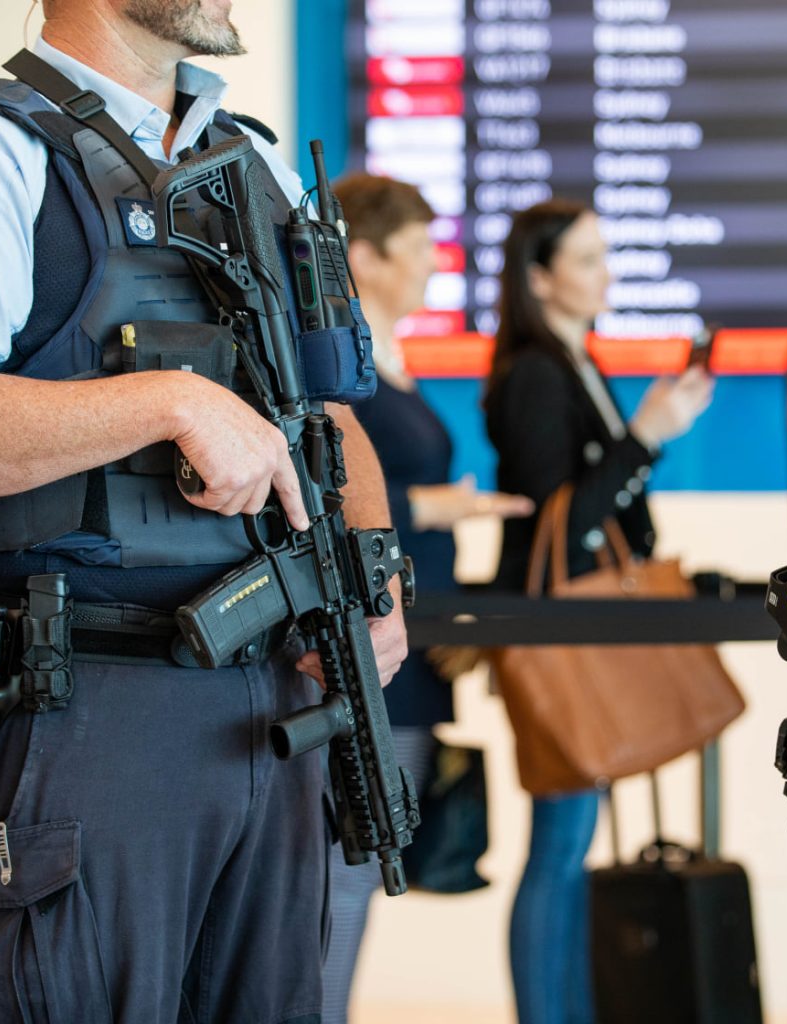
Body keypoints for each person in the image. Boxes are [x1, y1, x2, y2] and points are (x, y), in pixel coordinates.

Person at [0, 2, 407, 1021]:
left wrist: (377, 575)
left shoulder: (258, 170)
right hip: (85, 707)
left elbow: (330, 411)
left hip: (272, 710)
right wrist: (174, 401)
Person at [483, 198, 714, 1024]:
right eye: (584, 259)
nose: (603, 272)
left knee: (571, 843)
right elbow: (561, 515)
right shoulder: (538, 373)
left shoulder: (575, 360)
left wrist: (648, 433)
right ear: (539, 279)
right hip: (558, 631)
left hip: (583, 628)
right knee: (560, 847)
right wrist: (646, 437)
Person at [319, 172, 533, 1023]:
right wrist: (436, 507)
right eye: (416, 253)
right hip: (372, 656)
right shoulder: (337, 361)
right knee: (339, 882)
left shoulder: (384, 356)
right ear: (364, 256)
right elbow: (323, 491)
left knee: (361, 875)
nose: (431, 271)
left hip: (413, 649)